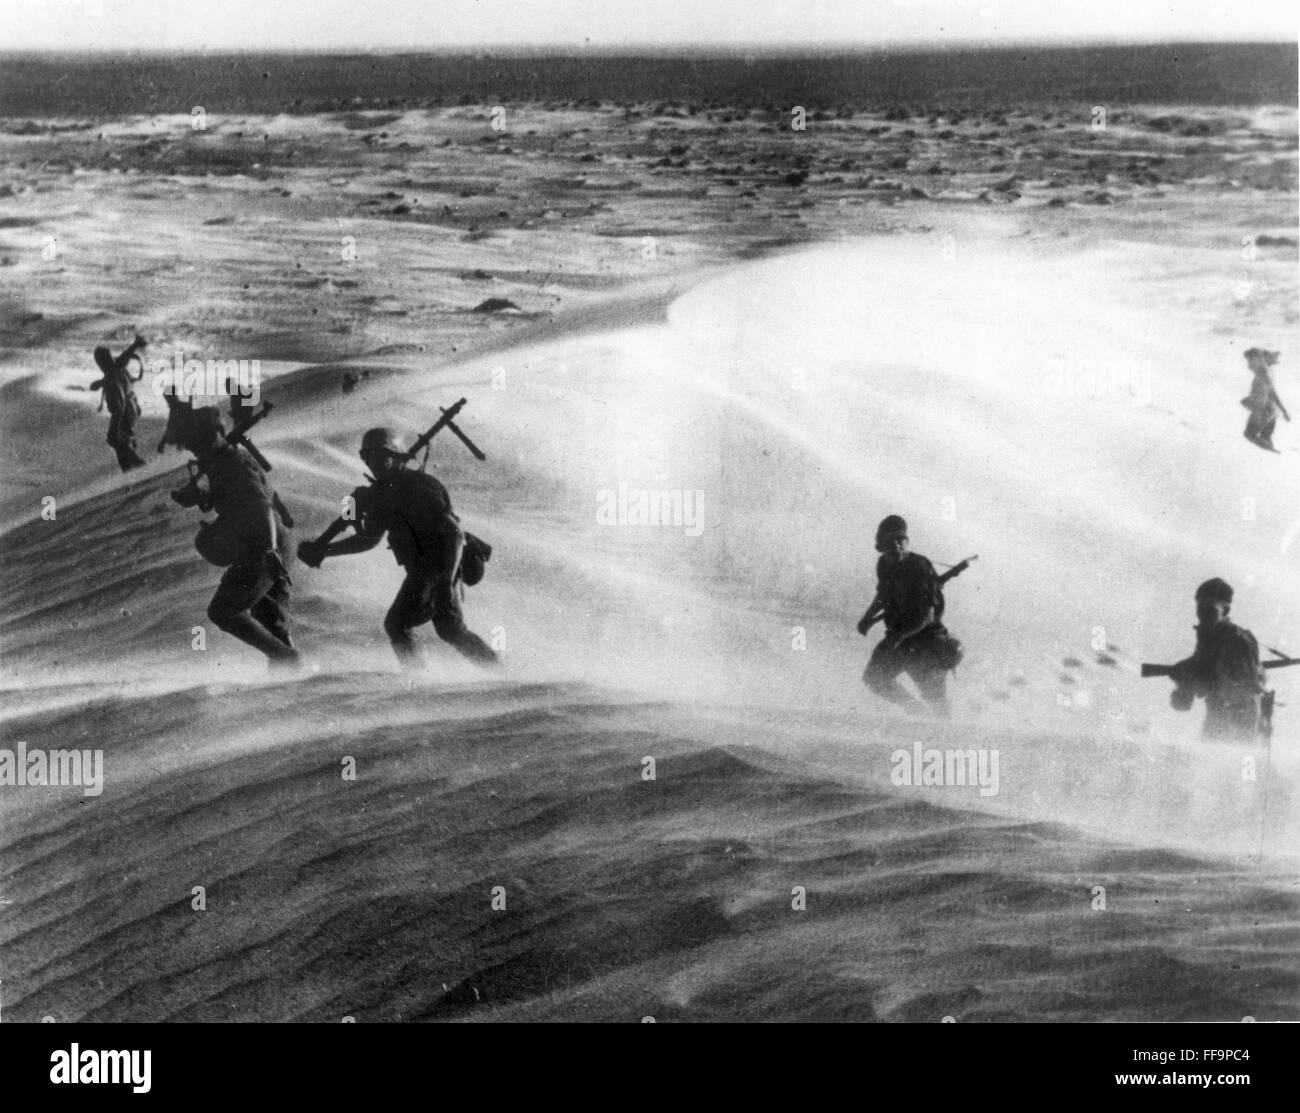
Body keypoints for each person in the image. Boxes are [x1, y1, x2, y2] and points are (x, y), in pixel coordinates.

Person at [296, 427, 498, 670]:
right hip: (426, 568)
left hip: (439, 565)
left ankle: (418, 680)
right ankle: (496, 671)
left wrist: (445, 581)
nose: (373, 463)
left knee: (398, 624)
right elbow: (367, 539)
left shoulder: (420, 486)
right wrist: (324, 550)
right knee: (451, 630)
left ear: (398, 457)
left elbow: (454, 534)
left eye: (380, 456)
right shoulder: (376, 495)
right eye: (367, 457)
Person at [171, 406, 299, 670]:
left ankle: (286, 659)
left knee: (222, 612)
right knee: (268, 617)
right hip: (271, 542)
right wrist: (197, 497)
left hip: (265, 544)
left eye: (202, 441)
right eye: (193, 445)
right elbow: (263, 499)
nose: (197, 449)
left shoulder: (235, 464)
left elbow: (262, 506)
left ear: (218, 434)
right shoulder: (222, 463)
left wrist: (270, 552)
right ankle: (289, 676)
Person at [857, 515, 957, 717]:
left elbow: (927, 616)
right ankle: (916, 710)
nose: (895, 545)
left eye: (900, 539)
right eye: (889, 541)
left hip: (926, 640)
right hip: (899, 636)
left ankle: (946, 734)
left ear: (907, 542)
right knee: (874, 678)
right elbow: (884, 595)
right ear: (880, 546)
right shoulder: (884, 564)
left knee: (936, 700)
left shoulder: (919, 566)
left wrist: (898, 637)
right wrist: (868, 617)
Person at [1168, 578, 1266, 741]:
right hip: (1218, 711)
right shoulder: (1210, 634)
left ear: (1225, 611)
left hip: (1237, 716)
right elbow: (1201, 663)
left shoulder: (1237, 640)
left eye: (1210, 610)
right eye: (1200, 609)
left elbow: (1242, 687)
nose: (1204, 616)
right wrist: (1185, 673)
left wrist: (1191, 681)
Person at [91, 336, 148, 471]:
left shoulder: (112, 377)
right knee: (120, 441)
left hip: (125, 411)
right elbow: (126, 355)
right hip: (131, 408)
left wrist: (114, 429)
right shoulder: (117, 365)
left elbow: (118, 407)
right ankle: (130, 471)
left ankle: (140, 468)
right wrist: (135, 344)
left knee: (116, 440)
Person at [1241, 347, 1288, 452]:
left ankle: (1276, 454)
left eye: (1250, 361)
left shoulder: (1263, 374)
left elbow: (1271, 393)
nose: (1248, 365)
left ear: (1258, 359)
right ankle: (1272, 449)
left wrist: (1257, 412)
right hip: (1271, 411)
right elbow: (1269, 393)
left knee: (1249, 434)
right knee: (1264, 437)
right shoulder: (1264, 371)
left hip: (1264, 411)